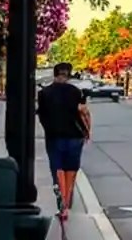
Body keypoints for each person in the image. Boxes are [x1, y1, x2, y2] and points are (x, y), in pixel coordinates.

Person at [36, 62, 91, 220]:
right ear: (69, 74)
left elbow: (42, 116)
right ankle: (67, 200)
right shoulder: (76, 92)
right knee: (71, 170)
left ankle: (63, 204)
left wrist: (48, 128)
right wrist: (88, 131)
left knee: (57, 168)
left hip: (54, 136)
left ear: (55, 74)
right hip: (75, 136)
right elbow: (84, 113)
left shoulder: (44, 93)